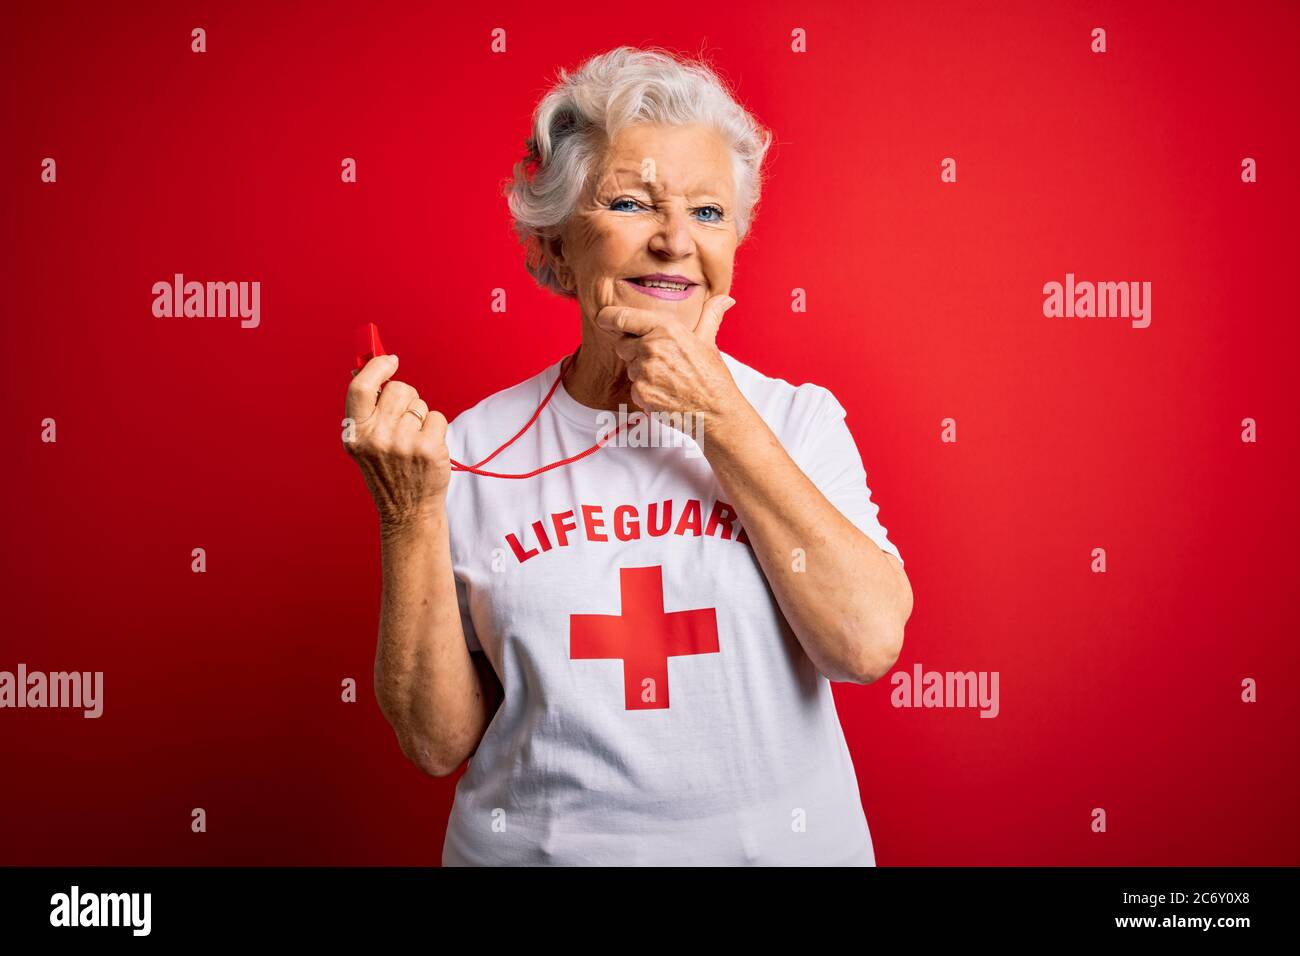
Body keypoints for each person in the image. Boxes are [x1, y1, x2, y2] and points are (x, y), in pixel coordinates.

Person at [343, 45, 913, 865]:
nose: (676, 241)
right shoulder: (467, 448)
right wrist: (408, 513)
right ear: (557, 244)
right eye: (632, 204)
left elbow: (864, 645)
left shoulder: (797, 420)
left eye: (709, 213)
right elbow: (437, 742)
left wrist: (716, 414)